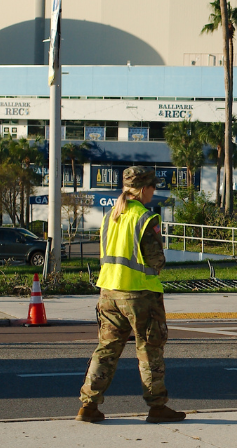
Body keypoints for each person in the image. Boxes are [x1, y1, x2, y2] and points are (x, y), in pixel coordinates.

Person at [77, 166, 186, 424]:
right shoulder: (145, 217)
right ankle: (157, 406)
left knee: (106, 350)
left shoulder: (110, 216)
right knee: (149, 350)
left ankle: (88, 405)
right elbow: (156, 259)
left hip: (108, 292)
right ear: (144, 188)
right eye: (153, 187)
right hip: (140, 295)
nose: (154, 192)